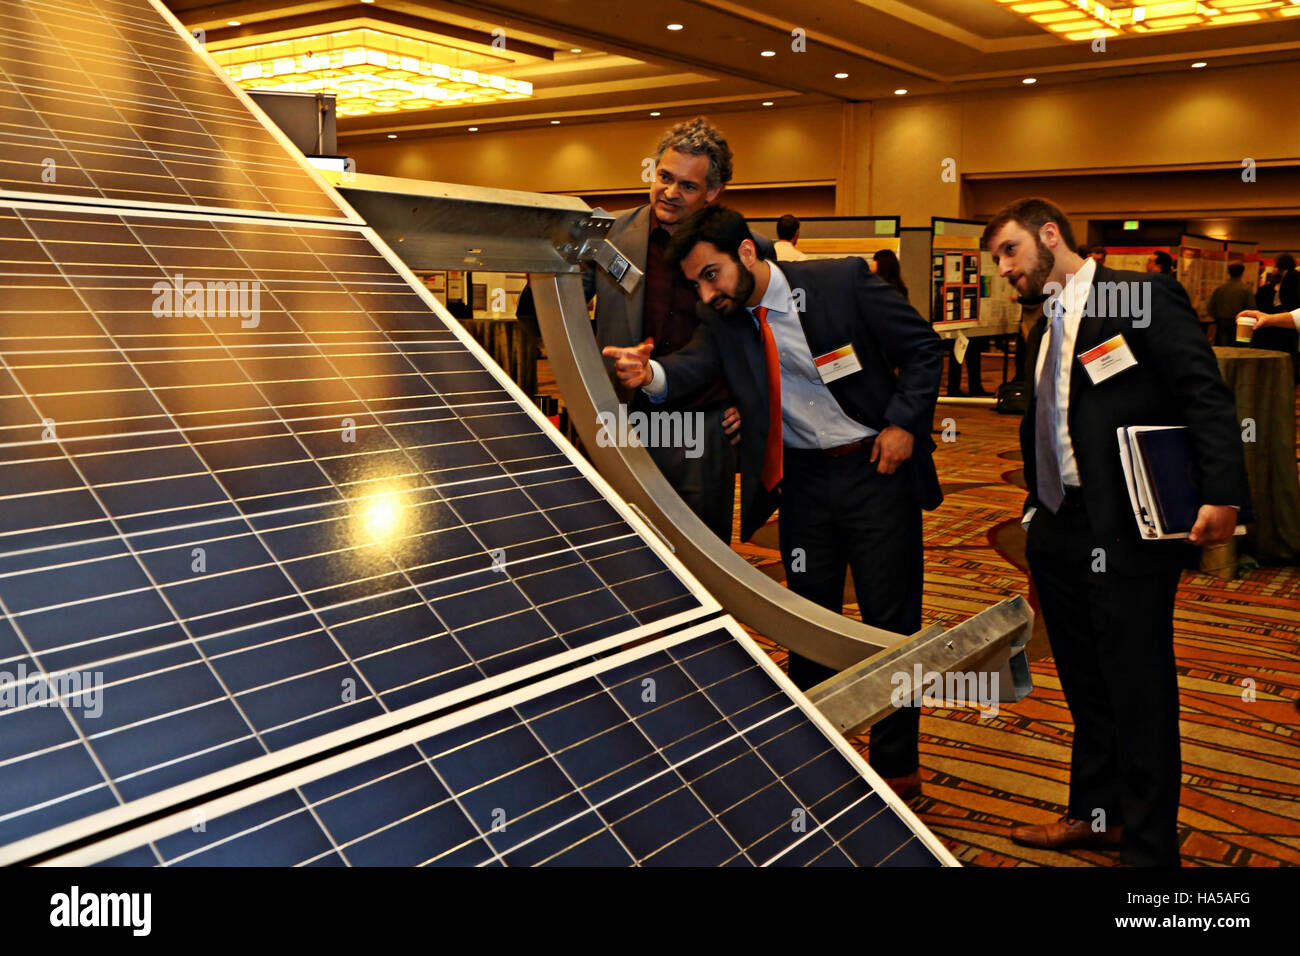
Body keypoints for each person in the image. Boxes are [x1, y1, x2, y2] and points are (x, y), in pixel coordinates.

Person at [602, 205, 945, 799]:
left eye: (711, 275)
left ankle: (898, 769)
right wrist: (649, 373)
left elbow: (923, 351)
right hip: (804, 484)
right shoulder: (731, 318)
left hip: (875, 473)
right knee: (807, 622)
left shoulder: (841, 284)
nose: (706, 294)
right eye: (694, 283)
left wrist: (904, 423)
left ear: (748, 254)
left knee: (891, 625)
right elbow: (696, 365)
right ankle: (820, 757)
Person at [984, 197, 1249, 867]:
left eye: (1009, 251)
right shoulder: (1044, 321)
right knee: (1084, 681)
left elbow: (1203, 393)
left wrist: (1222, 492)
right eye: (996, 261)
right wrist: (1036, 512)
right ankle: (1096, 815)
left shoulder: (1140, 296)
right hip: (1058, 525)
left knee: (1137, 686)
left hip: (1129, 527)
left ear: (1050, 234)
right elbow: (1048, 420)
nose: (1004, 270)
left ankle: (1150, 849)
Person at [586, 117, 775, 542]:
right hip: (623, 418)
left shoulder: (747, 249)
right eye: (664, 177)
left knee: (700, 553)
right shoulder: (608, 236)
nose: (669, 193)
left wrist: (751, 402)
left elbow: (769, 335)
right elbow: (562, 311)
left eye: (687, 186)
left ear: (712, 193)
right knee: (618, 542)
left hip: (704, 428)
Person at [1244, 253, 1299, 376]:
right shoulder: (1266, 289)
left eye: (1275, 267)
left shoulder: (1292, 284)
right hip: (1269, 333)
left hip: (1284, 333)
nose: (1273, 270)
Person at [1207, 262, 1256, 346]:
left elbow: (1210, 307)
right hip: (1240, 324)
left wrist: (1217, 318)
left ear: (1228, 272)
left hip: (1222, 322)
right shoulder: (1246, 289)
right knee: (1240, 348)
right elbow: (1252, 307)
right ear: (1242, 272)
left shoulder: (1220, 289)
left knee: (1223, 346)